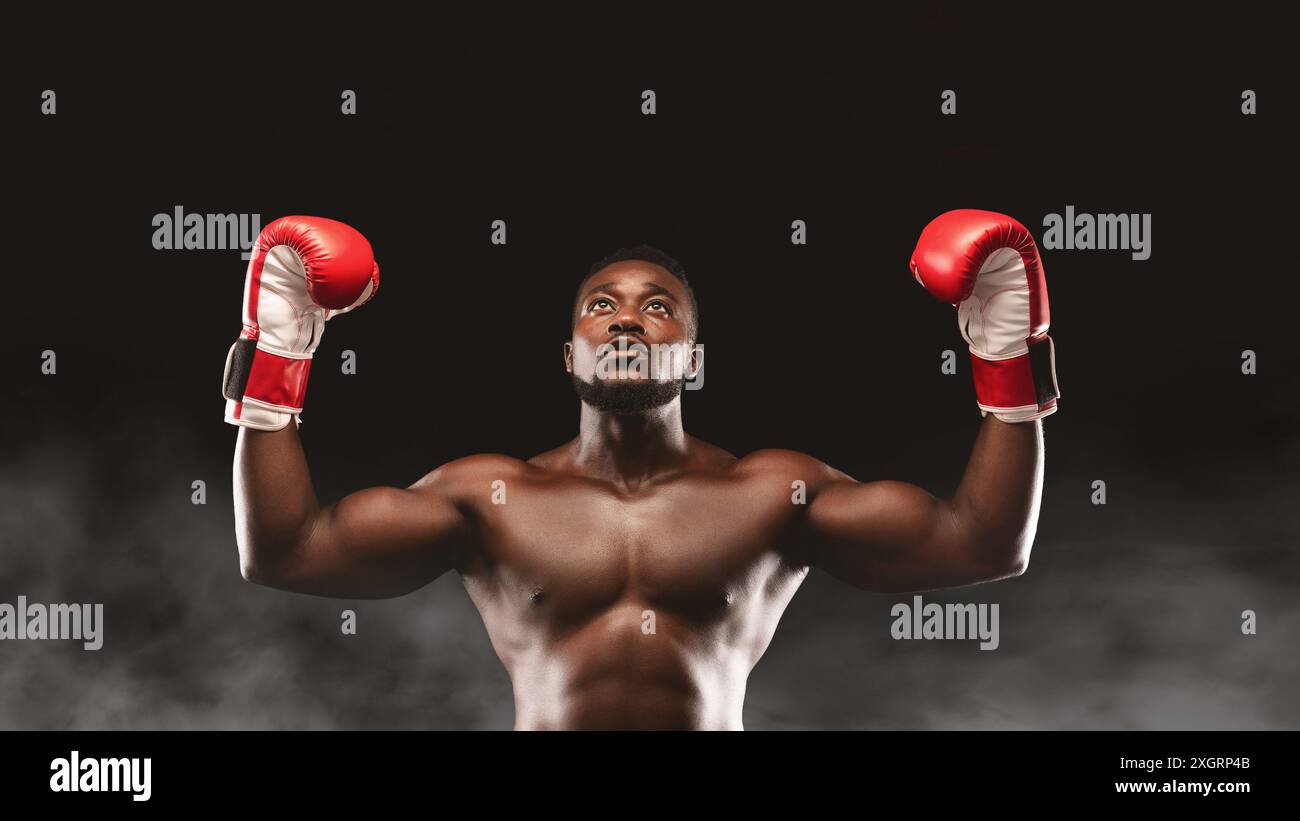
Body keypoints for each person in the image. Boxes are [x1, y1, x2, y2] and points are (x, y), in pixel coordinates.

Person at [222, 210, 1060, 730]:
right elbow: (285, 551)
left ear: (693, 358)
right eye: (602, 306)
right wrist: (278, 364)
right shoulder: (489, 497)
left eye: (658, 307)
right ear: (568, 353)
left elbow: (982, 543)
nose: (627, 319)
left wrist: (1004, 364)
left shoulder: (771, 492)